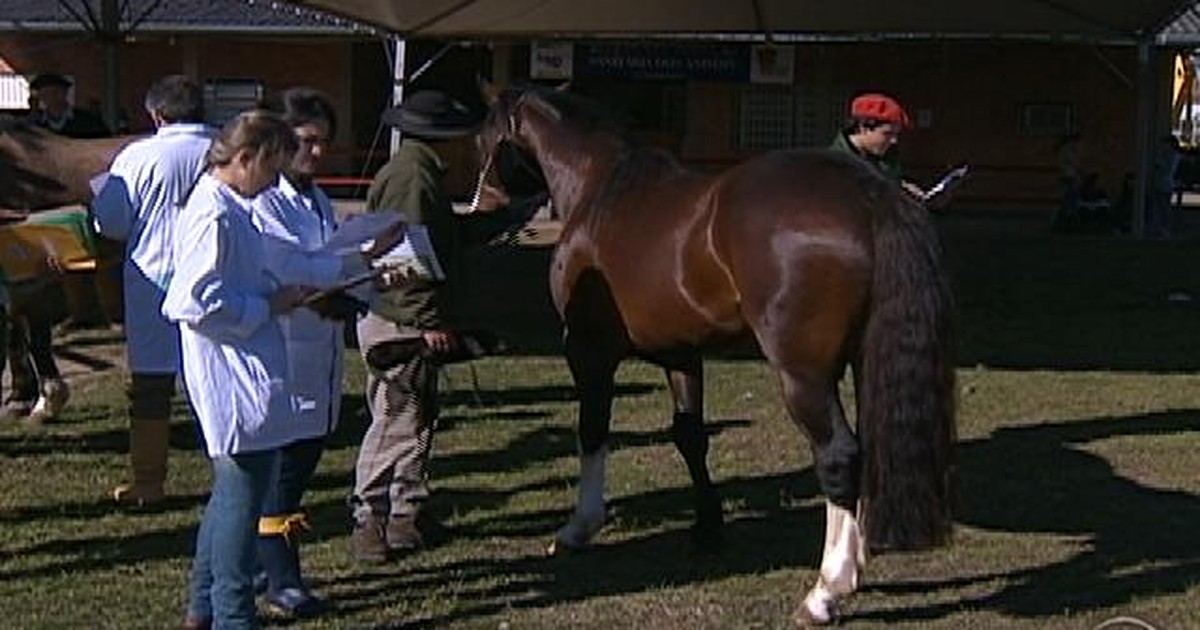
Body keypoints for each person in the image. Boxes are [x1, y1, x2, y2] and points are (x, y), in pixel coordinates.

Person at [165, 110, 309, 630]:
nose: (274, 182)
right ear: (245, 158)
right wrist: (265, 307)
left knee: (232, 493)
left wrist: (276, 296)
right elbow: (192, 302)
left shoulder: (230, 205)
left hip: (243, 364)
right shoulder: (215, 214)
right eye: (271, 169)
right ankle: (232, 613)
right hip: (229, 371)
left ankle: (204, 607)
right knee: (242, 497)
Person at [247, 87, 384, 617]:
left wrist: (366, 268)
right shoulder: (264, 200)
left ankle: (263, 564)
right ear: (280, 140)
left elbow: (327, 257)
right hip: (282, 350)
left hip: (318, 352)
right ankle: (281, 578)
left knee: (300, 460)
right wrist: (350, 271)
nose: (318, 152)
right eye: (307, 141)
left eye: (325, 142)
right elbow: (287, 266)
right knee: (281, 471)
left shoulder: (316, 197)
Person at [348, 90, 478, 563]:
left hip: (399, 316)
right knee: (398, 420)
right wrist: (430, 320)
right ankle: (370, 517)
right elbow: (406, 253)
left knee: (416, 418)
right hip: (401, 321)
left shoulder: (413, 171)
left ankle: (405, 515)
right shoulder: (415, 178)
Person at [92, 75, 215, 506]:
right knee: (215, 383)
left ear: (156, 113)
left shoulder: (138, 157)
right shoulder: (226, 151)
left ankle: (149, 481)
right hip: (215, 280)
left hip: (155, 282)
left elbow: (112, 224)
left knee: (151, 385)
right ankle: (232, 476)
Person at [830, 92, 927, 200]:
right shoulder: (836, 166)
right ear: (864, 128)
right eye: (888, 134)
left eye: (896, 134)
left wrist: (901, 188)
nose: (894, 141)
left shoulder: (887, 155)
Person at [26, 72, 111, 139]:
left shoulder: (89, 121)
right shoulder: (34, 124)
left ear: (65, 92)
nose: (51, 97)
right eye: (45, 93)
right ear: (41, 96)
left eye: (55, 92)